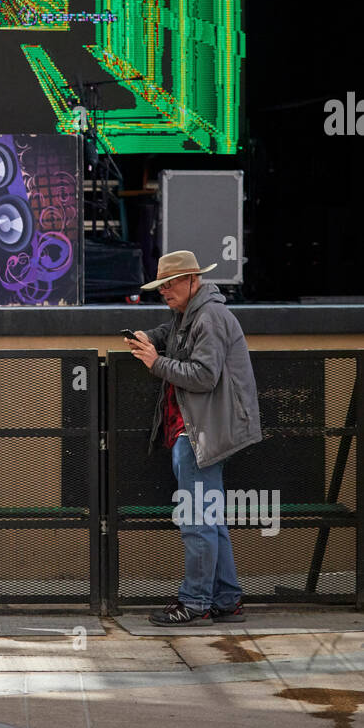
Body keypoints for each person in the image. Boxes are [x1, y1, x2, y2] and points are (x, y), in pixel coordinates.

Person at [125, 250, 262, 626]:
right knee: (209, 519)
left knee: (197, 520)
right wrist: (145, 339)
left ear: (191, 280)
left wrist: (155, 363)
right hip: (196, 431)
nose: (165, 291)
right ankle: (227, 599)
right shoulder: (191, 314)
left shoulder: (211, 316)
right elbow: (167, 334)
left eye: (170, 284)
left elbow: (203, 376)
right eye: (161, 285)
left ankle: (195, 602)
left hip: (201, 433)